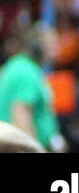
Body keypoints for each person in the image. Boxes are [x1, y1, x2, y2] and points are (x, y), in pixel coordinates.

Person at [0, 23, 62, 152]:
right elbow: (20, 115)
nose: (57, 48)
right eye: (51, 43)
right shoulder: (25, 71)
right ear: (36, 46)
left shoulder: (21, 66)